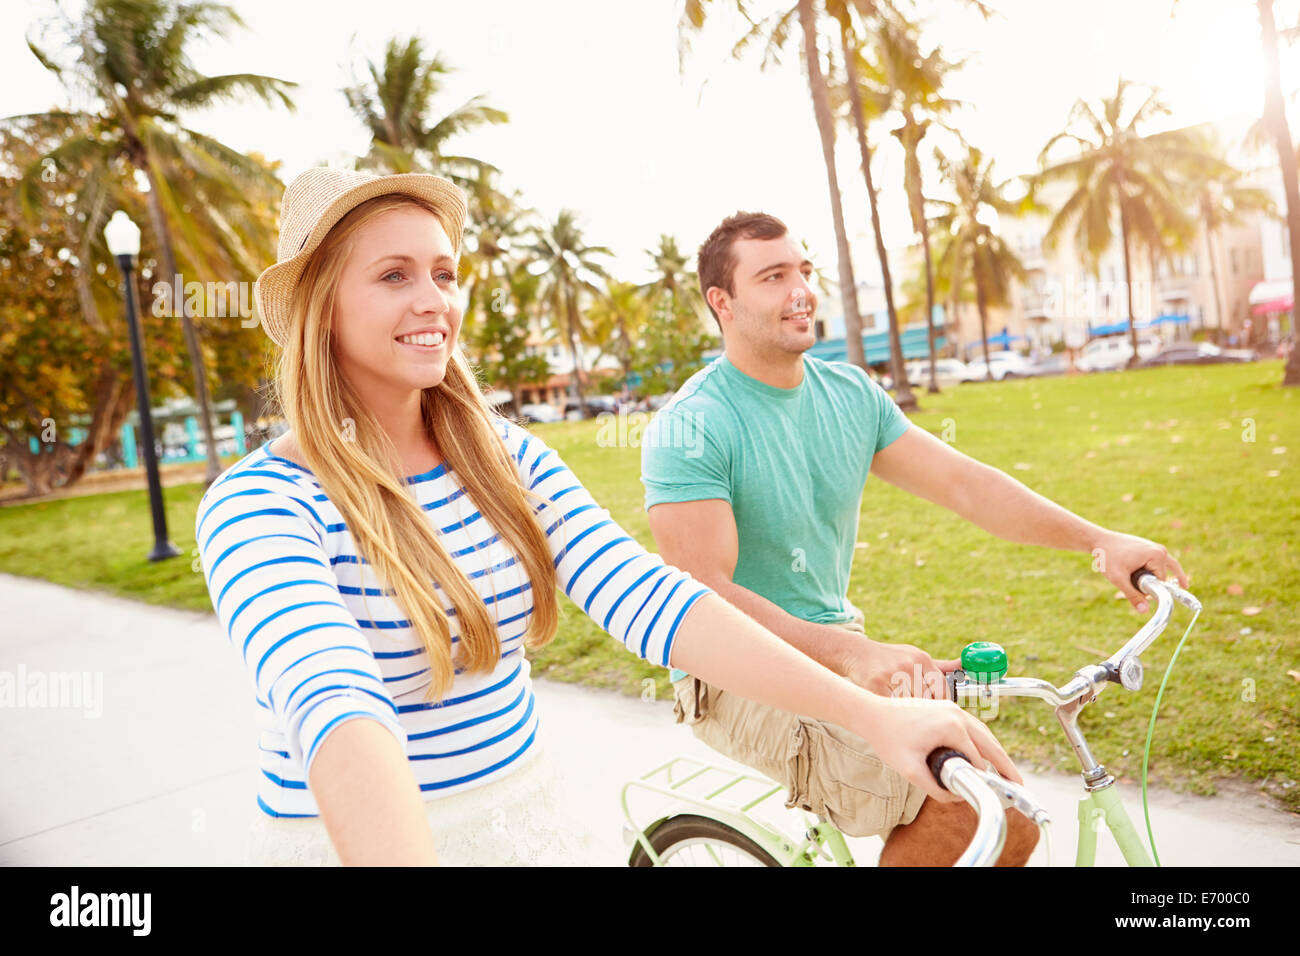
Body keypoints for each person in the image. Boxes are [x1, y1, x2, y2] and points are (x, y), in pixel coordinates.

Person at [194, 169, 1021, 867]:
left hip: (530, 822)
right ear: (319, 308)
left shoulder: (505, 457)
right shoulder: (259, 508)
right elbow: (336, 705)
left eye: (444, 274)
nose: (434, 301)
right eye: (393, 276)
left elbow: (654, 598)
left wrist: (874, 715)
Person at [640, 211, 1192, 866]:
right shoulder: (693, 425)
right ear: (721, 302)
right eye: (773, 276)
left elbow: (965, 484)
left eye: (805, 271)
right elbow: (705, 592)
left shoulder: (849, 394)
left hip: (840, 646)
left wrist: (1101, 541)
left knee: (1006, 807)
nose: (801, 290)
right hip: (732, 675)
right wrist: (850, 654)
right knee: (975, 818)